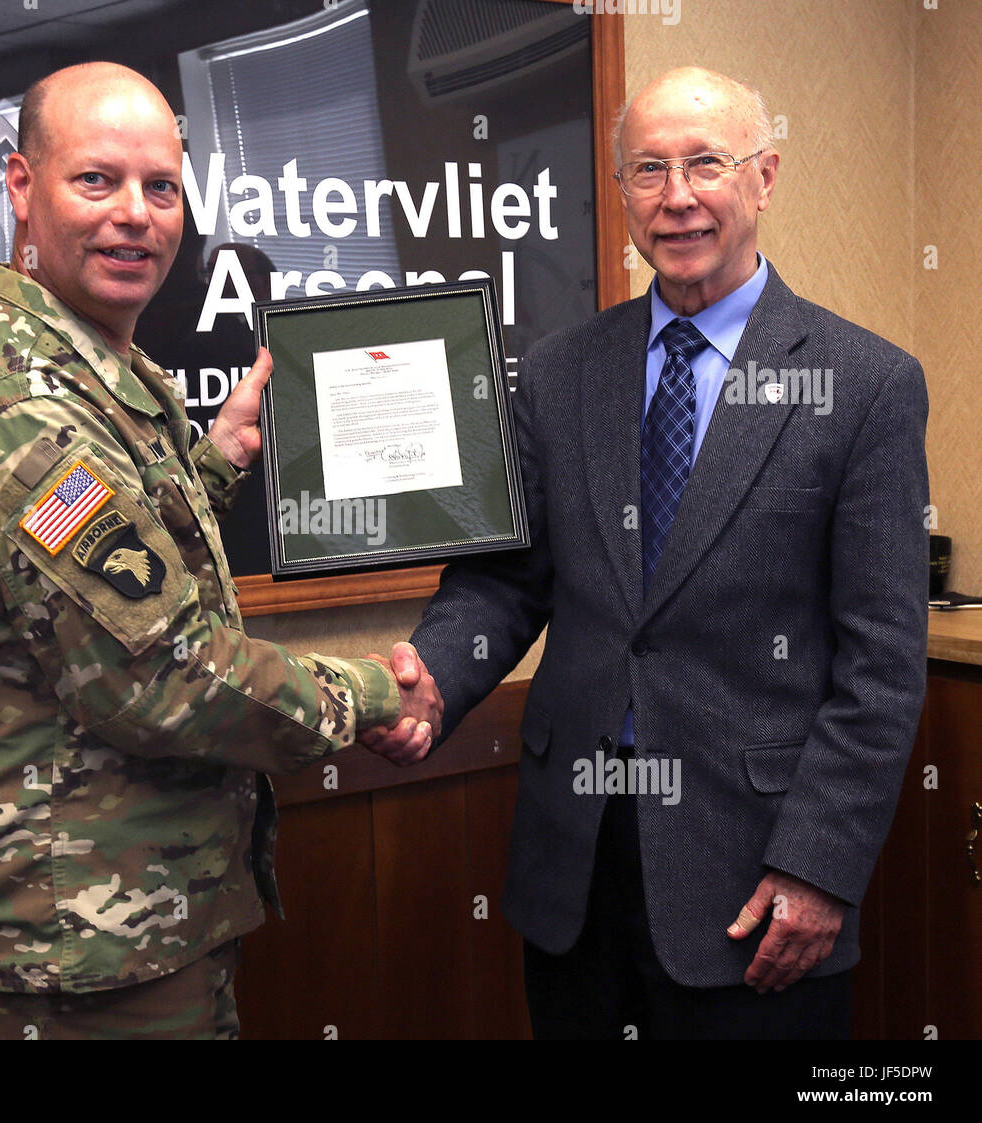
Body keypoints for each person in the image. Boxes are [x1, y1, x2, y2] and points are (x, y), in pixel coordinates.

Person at [363, 66, 928, 1039]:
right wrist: (433, 682)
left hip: (757, 867)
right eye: (647, 170)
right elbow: (507, 579)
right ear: (618, 191)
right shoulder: (558, 371)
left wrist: (819, 863)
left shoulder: (865, 383)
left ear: (763, 177)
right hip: (574, 860)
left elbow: (882, 658)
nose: (676, 197)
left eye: (704, 164)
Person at [0, 62, 441, 1040]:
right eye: (95, 180)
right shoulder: (20, 405)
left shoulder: (89, 367)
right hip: (71, 969)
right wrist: (377, 691)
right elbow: (163, 674)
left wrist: (207, 462)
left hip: (128, 934)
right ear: (22, 187)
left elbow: (94, 559)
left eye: (161, 187)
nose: (134, 215)